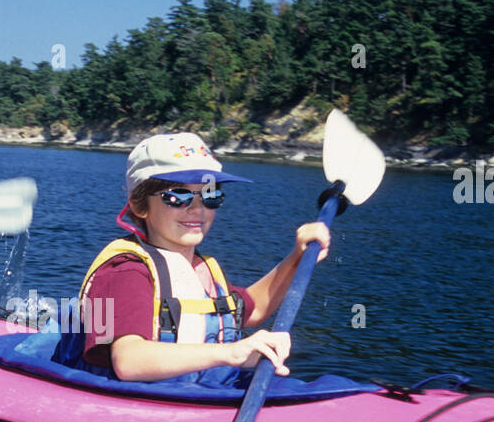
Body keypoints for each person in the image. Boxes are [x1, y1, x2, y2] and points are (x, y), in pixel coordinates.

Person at [75, 132, 330, 383]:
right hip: (135, 406)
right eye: (177, 196)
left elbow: (256, 308)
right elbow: (129, 361)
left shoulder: (199, 270)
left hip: (197, 393)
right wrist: (232, 353)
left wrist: (298, 256)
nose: (197, 208)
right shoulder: (123, 271)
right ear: (140, 205)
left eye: (210, 194)